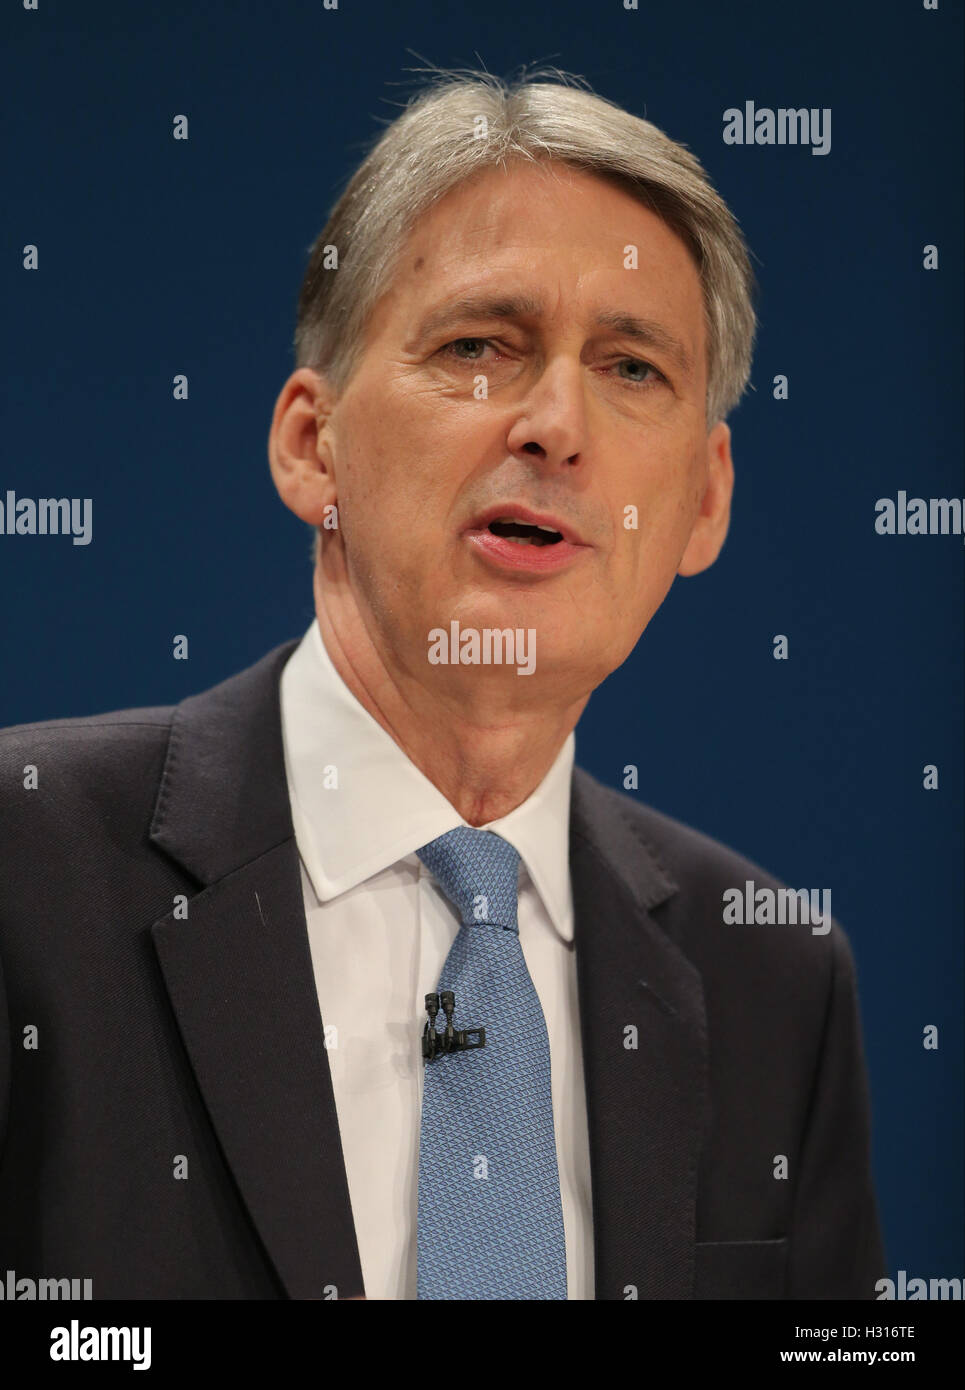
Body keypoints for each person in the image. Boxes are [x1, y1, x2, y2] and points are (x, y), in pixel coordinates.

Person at [0, 69, 884, 1300]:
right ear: (314, 446)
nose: (555, 424)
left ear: (704, 498)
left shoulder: (774, 982)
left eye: (631, 368)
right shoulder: (24, 863)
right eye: (479, 347)